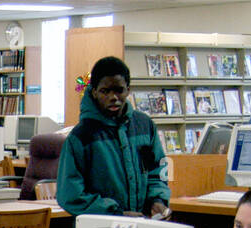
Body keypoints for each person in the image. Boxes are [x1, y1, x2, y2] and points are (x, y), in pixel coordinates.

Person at [58, 56, 170, 219]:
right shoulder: (80, 137)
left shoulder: (145, 126)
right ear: (94, 91)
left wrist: (158, 200)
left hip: (144, 223)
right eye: (105, 91)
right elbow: (70, 195)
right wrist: (115, 213)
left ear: (128, 90)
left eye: (119, 90)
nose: (113, 97)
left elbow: (158, 169)